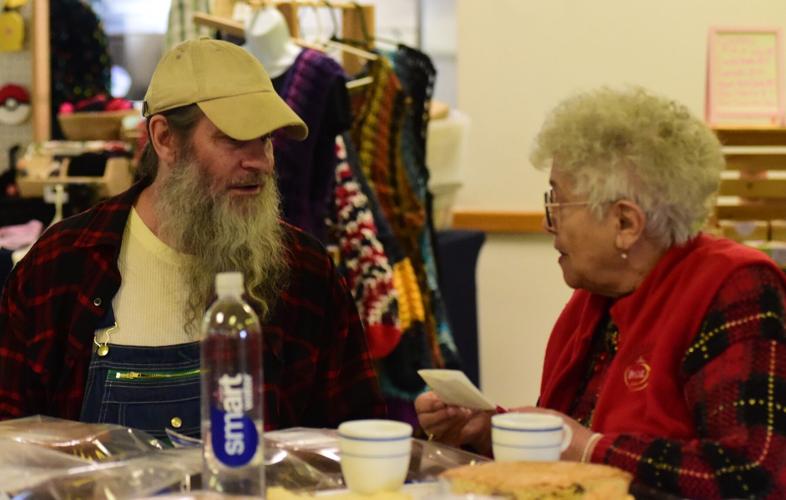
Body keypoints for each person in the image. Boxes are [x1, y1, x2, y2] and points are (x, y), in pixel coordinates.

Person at [0, 38, 386, 440]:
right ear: (165, 138)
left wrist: (434, 437)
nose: (261, 162)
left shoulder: (303, 272)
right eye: (235, 139)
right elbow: (10, 449)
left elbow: (355, 442)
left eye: (267, 139)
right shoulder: (61, 267)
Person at [416, 86, 786, 499]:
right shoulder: (601, 296)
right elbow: (568, 447)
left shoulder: (735, 287)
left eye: (557, 201)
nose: (547, 223)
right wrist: (486, 431)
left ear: (626, 223)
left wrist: (589, 449)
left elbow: (752, 475)